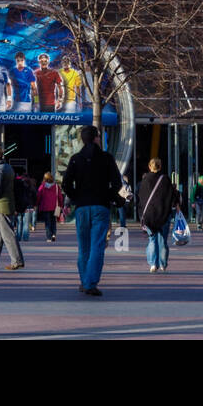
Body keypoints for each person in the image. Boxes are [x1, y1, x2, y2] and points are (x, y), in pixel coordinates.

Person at [62, 125, 123, 296]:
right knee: (97, 246)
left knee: (84, 247)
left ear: (82, 139)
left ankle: (84, 281)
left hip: (82, 207)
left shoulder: (76, 159)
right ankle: (90, 282)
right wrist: (107, 195)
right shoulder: (107, 158)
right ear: (96, 138)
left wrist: (76, 197)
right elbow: (117, 183)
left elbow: (66, 184)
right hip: (100, 206)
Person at [137, 159, 177, 273]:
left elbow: (140, 199)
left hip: (149, 216)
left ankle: (153, 264)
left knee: (152, 239)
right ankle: (163, 264)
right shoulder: (165, 179)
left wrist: (141, 215)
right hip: (163, 214)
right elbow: (172, 196)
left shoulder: (145, 180)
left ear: (150, 166)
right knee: (162, 240)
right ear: (160, 167)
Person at [37, 171, 62, 242]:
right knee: (53, 221)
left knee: (47, 222)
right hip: (55, 207)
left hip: (45, 207)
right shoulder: (56, 186)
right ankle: (54, 234)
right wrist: (61, 205)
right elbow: (60, 197)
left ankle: (48, 237)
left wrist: (37, 204)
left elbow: (38, 196)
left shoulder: (42, 186)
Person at [14, 170, 37, 241]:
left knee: (19, 223)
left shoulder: (17, 184)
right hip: (28, 206)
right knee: (26, 223)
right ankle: (25, 238)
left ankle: (18, 237)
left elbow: (15, 196)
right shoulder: (30, 185)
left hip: (18, 206)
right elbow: (34, 196)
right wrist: (34, 204)